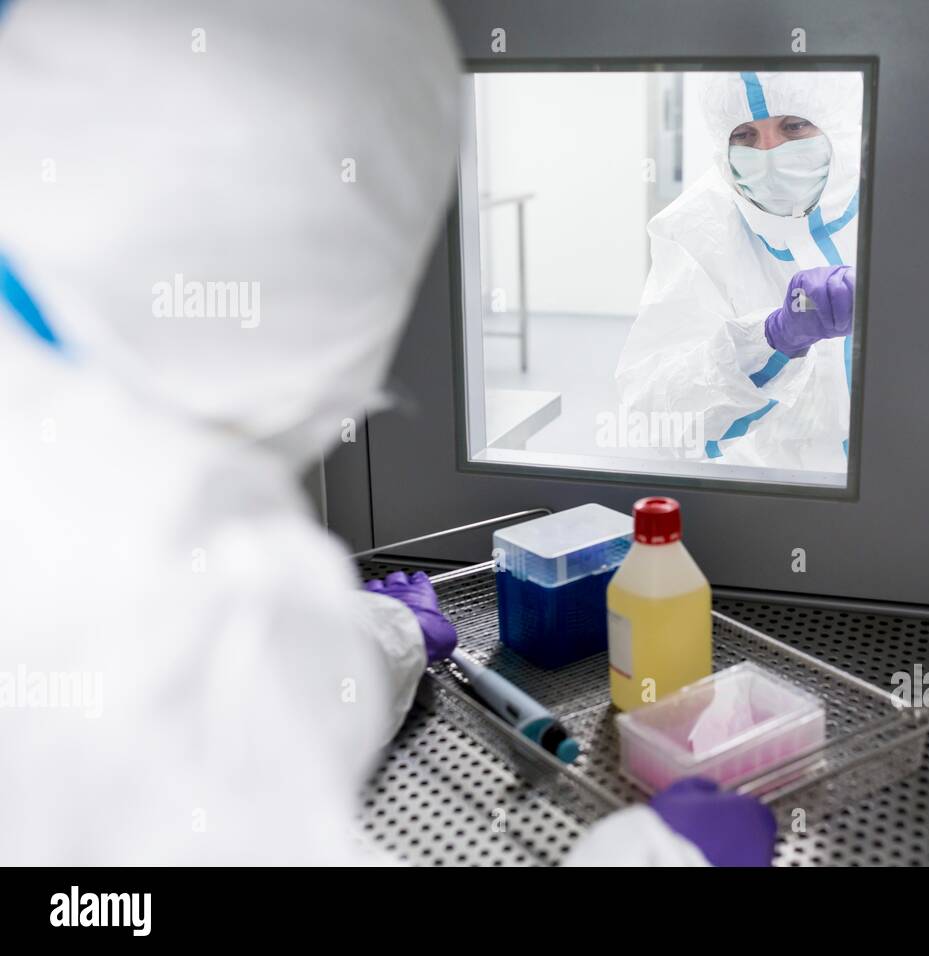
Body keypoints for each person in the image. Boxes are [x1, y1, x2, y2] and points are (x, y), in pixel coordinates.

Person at [0, 0, 773, 866]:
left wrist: (385, 640)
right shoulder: (147, 571)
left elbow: (238, 718)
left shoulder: (77, 456)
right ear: (321, 276)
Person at [616, 71, 863, 471]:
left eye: (794, 126)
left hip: (909, 484)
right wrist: (770, 339)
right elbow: (656, 415)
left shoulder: (907, 185)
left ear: (834, 119)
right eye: (745, 136)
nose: (769, 152)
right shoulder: (699, 225)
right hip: (778, 491)